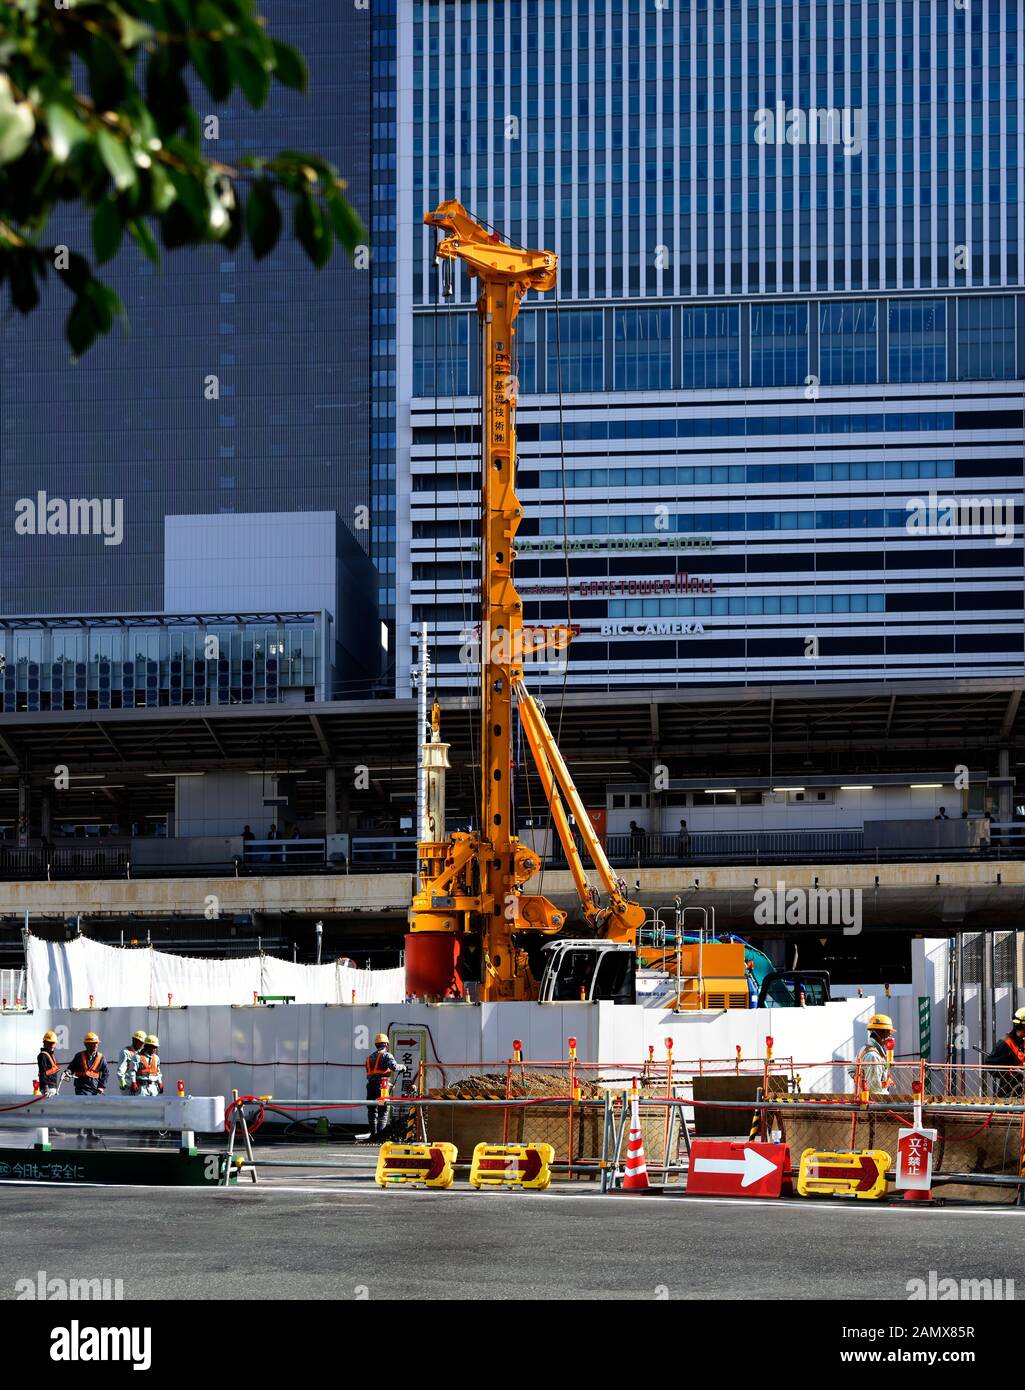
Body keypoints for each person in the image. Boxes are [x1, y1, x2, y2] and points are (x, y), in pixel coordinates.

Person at [364, 1032, 405, 1143]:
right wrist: (403, 1067)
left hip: (370, 1087)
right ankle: (380, 1137)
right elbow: (394, 1067)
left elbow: (370, 1073)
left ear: (376, 1044)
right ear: (386, 1044)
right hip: (382, 1087)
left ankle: (373, 1135)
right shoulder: (387, 1055)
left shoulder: (369, 1058)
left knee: (372, 1110)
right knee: (383, 1110)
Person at [849, 1013, 895, 1095]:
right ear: (881, 1032)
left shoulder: (865, 1048)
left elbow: (851, 1068)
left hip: (864, 1097)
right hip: (875, 1102)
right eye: (888, 1032)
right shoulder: (873, 1056)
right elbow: (875, 1089)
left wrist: (860, 1079)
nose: (890, 1035)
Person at [985, 1007, 1025, 1099]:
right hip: (1010, 1094)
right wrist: (1009, 1071)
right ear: (1023, 1026)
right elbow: (990, 1065)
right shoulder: (1004, 1044)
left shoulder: (1021, 1042)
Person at [68, 1031, 109, 1096]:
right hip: (81, 1089)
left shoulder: (101, 1058)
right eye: (93, 1043)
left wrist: (101, 1087)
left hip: (95, 1091)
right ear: (86, 1044)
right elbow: (71, 1068)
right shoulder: (79, 1056)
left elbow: (106, 1073)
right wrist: (67, 1072)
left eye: (96, 1043)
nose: (95, 1045)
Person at [37, 1030, 62, 1096]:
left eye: (53, 1043)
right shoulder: (43, 1055)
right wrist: (46, 1088)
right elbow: (42, 1072)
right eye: (50, 1042)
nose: (52, 1044)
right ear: (45, 1043)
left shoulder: (50, 1055)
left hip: (52, 1087)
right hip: (48, 1088)